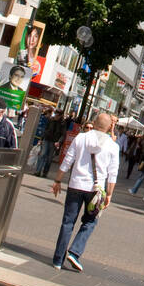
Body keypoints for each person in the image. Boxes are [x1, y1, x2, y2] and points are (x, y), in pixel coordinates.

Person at [51, 112, 120, 272]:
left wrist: (58, 180)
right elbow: (113, 173)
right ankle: (75, 252)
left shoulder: (81, 138)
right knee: (90, 221)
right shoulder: (113, 146)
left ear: (94, 123)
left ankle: (57, 260)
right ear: (110, 127)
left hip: (75, 185)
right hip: (96, 190)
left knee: (68, 222)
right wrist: (109, 194)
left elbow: (68, 160)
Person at [36, 110, 66, 177]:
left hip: (54, 142)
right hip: (46, 139)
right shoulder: (51, 120)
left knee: (49, 158)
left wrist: (59, 142)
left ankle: (45, 173)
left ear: (61, 116)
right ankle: (38, 171)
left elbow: (63, 134)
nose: (56, 116)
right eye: (55, 114)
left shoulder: (62, 123)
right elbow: (46, 129)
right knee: (42, 155)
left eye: (57, 115)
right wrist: (41, 139)